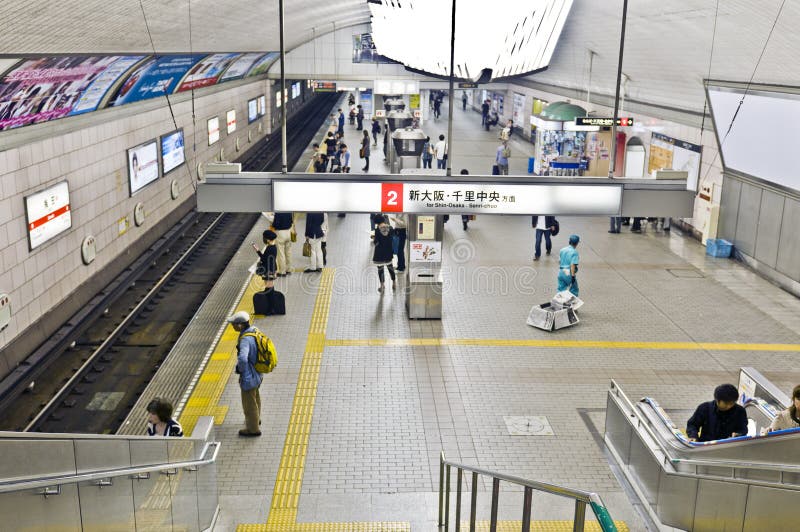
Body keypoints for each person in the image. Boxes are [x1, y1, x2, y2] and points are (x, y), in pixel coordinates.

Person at [228, 311, 262, 437]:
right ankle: (256, 420)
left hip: (249, 376)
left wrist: (241, 370)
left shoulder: (245, 340)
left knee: (249, 404)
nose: (233, 326)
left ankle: (253, 429)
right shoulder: (254, 330)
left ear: (241, 325)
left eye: (234, 324)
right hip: (257, 372)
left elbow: (242, 358)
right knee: (255, 397)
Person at [372, 216, 396, 292]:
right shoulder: (391, 228)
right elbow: (392, 237)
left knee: (380, 269)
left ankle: (382, 286)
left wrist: (374, 239)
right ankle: (394, 283)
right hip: (388, 251)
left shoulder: (377, 230)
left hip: (379, 253)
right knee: (390, 267)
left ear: (376, 222)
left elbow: (376, 242)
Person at [271, 212, 294, 277]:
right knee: (288, 252)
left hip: (280, 233)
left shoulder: (278, 212)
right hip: (288, 233)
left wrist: (272, 222)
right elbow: (291, 221)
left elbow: (276, 224)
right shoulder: (288, 211)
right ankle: (288, 270)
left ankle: (282, 272)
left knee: (281, 253)